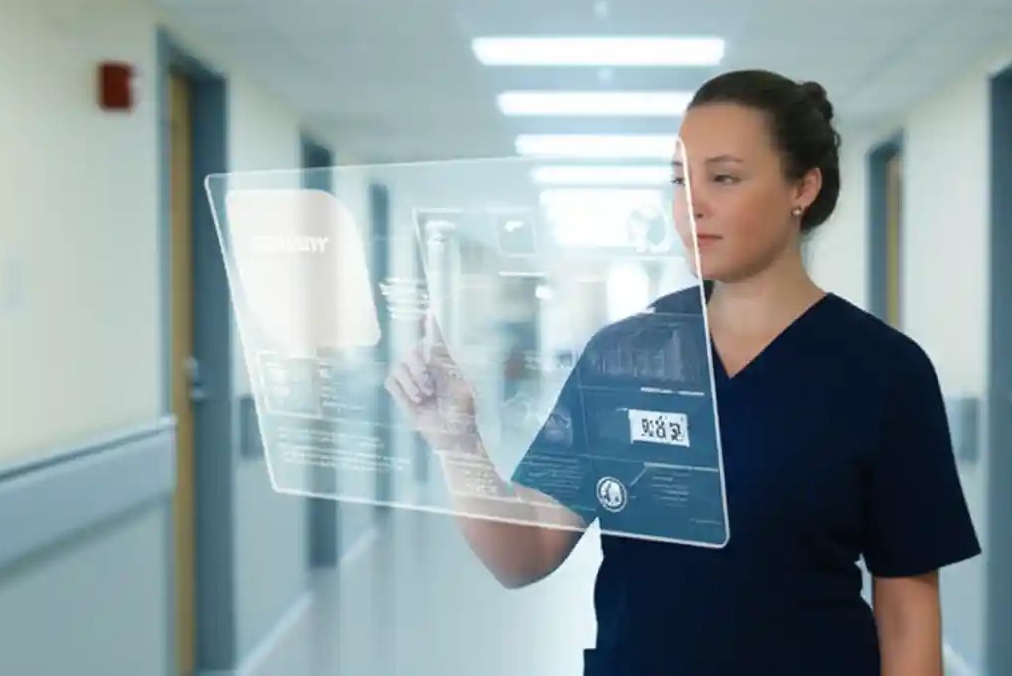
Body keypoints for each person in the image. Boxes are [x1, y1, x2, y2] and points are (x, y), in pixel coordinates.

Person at [385, 69, 981, 676]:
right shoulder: (623, 356)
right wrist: (457, 443)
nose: (690, 203)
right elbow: (525, 553)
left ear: (802, 187)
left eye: (723, 178)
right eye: (679, 179)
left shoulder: (883, 373)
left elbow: (907, 607)